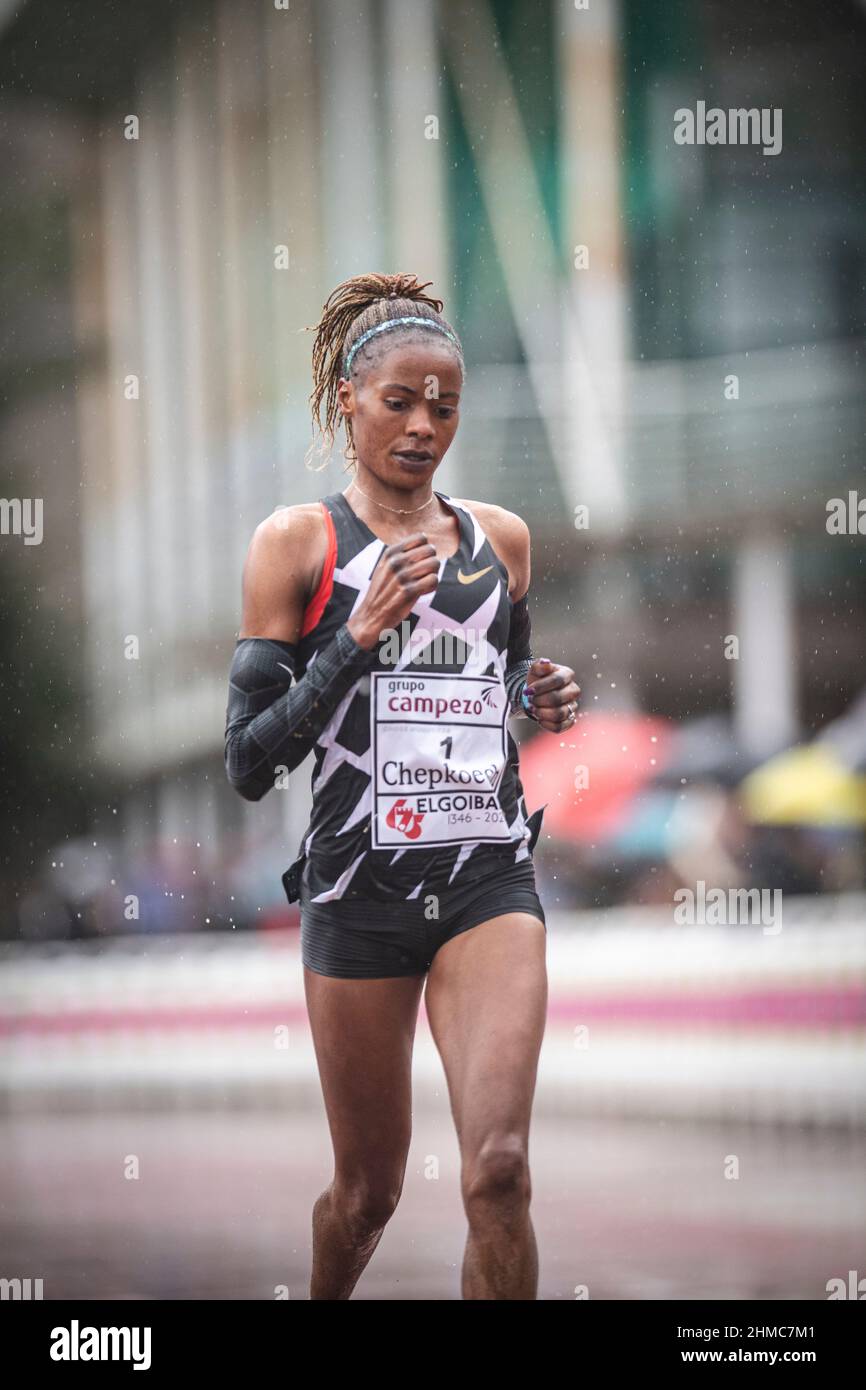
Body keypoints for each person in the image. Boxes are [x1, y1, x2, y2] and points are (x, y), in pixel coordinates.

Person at [224, 272, 580, 1299]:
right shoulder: (299, 544)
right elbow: (251, 761)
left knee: (499, 1174)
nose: (425, 425)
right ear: (348, 397)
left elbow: (483, 681)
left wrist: (534, 691)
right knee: (366, 1192)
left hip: (484, 883)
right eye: (400, 402)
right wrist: (357, 637)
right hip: (356, 895)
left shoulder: (499, 541)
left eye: (445, 405)